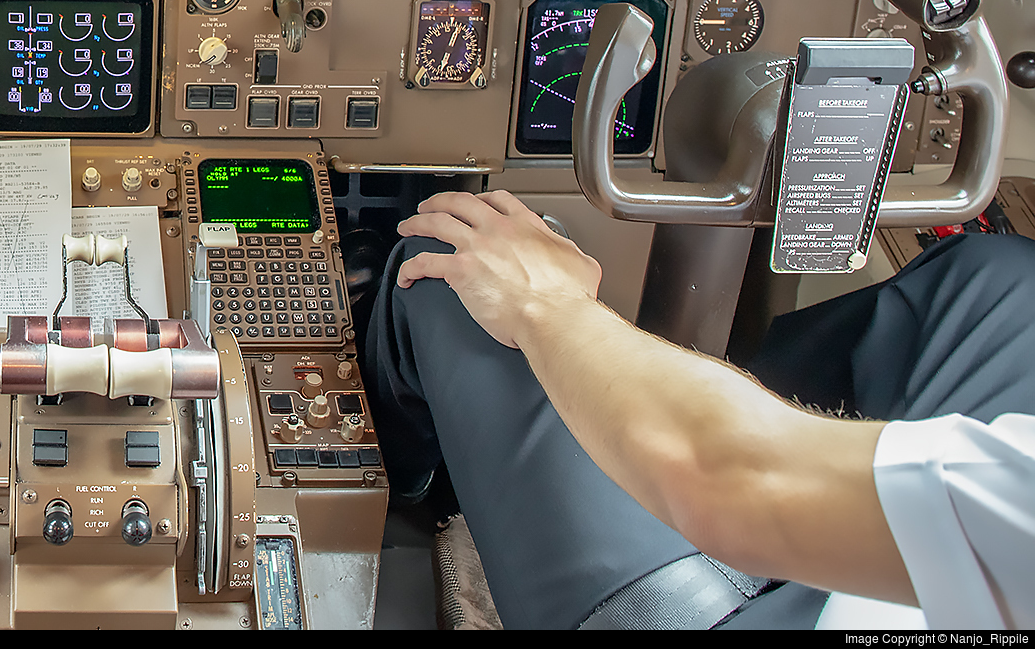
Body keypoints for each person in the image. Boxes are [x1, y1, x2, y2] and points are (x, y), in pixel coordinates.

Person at [356, 189, 1035, 629]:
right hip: (918, 586)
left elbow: (729, 481)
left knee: (452, 259)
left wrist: (550, 304)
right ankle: (730, 399)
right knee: (999, 275)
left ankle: (401, 483)